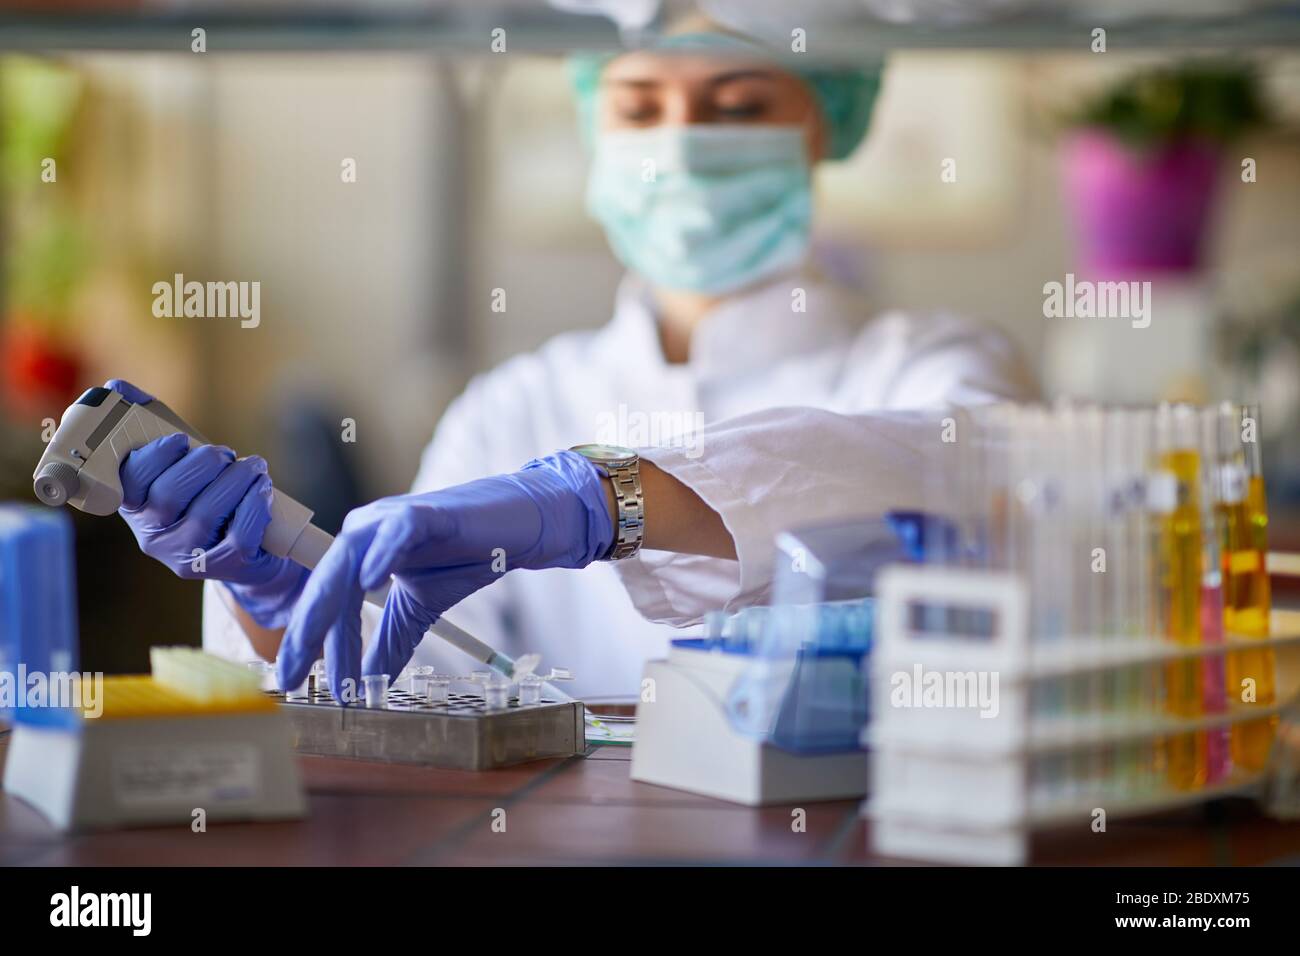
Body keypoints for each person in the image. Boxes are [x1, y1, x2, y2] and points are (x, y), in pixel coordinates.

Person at [118, 24, 1035, 699]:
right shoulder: (512, 407)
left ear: (827, 120)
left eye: (740, 104)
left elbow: (973, 478)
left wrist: (606, 499)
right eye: (642, 105)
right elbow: (421, 687)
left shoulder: (935, 361)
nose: (682, 141)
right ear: (596, 125)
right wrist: (277, 597)